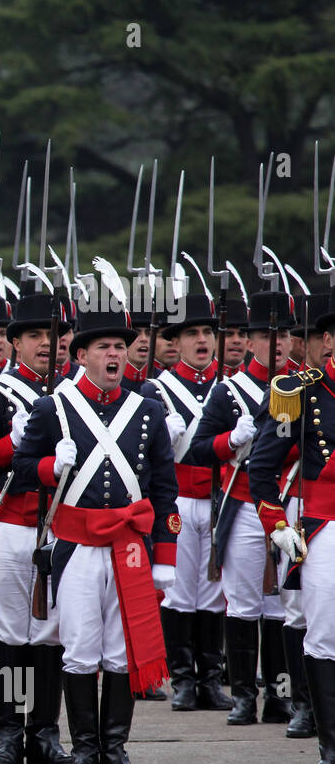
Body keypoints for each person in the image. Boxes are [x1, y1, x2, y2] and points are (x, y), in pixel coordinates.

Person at [12, 302, 179, 764]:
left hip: (129, 544)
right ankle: (85, 749)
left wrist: (164, 557)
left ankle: (115, 750)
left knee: (124, 651)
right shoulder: (53, 409)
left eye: (120, 348)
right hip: (76, 544)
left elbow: (163, 489)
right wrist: (50, 466)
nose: (115, 355)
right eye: (104, 347)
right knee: (81, 647)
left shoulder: (146, 410)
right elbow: (21, 471)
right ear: (80, 355)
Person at [187, 292, 293, 726]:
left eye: (285, 334)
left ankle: (283, 695)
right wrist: (230, 441)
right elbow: (196, 451)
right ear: (249, 342)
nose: (279, 343)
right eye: (268, 336)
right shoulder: (228, 391)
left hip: (289, 504)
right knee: (244, 603)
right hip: (246, 501)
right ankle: (245, 695)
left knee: (284, 605)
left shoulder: (304, 385)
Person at [0, 292, 73, 764]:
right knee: (6, 633)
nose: (47, 346)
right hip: (12, 524)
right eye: (35, 335)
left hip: (61, 525)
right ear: (14, 341)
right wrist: (9, 442)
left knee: (49, 636)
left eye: (56, 337)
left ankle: (44, 731)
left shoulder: (76, 396)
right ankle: (8, 731)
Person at [249, 298, 335, 764]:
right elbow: (261, 469)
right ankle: (332, 747)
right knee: (323, 635)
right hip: (326, 522)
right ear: (327, 342)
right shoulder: (299, 392)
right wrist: (278, 526)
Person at [140, 295, 232, 712]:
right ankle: (182, 679)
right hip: (178, 497)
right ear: (174, 341)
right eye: (192, 333)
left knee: (211, 592)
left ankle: (210, 678)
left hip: (216, 496)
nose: (201, 340)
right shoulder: (156, 389)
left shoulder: (228, 386)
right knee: (179, 592)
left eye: (207, 333)